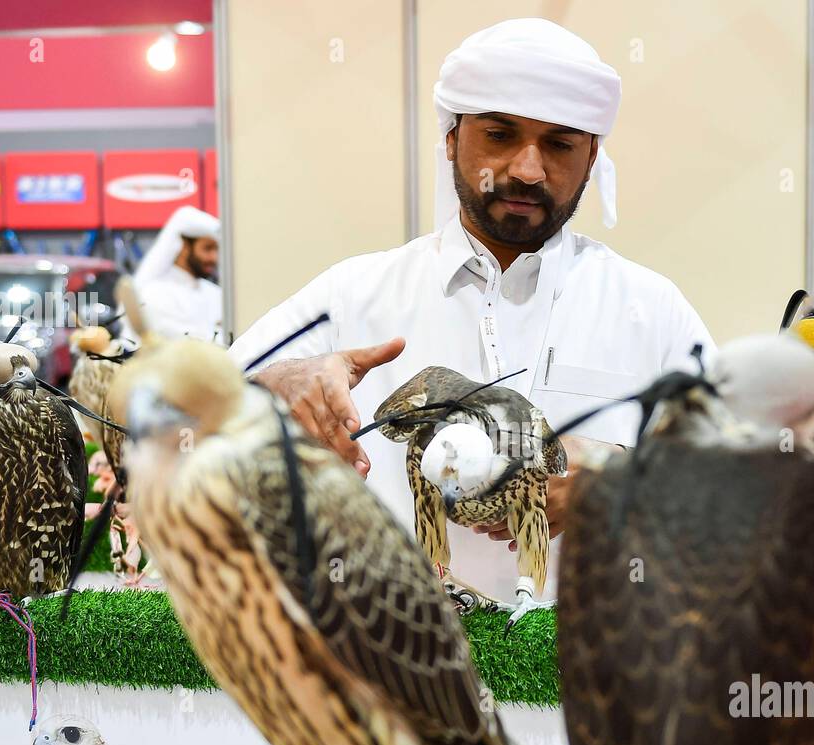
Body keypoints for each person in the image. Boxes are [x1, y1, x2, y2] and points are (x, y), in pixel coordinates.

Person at [228, 18, 714, 603]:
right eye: (501, 135)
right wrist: (276, 383)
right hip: (395, 670)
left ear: (591, 159)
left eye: (559, 144)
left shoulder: (650, 310)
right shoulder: (354, 294)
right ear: (453, 138)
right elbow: (170, 421)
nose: (528, 169)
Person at [127, 205, 223, 345]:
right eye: (207, 248)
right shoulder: (154, 293)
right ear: (183, 246)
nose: (214, 258)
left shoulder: (214, 292)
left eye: (216, 249)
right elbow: (187, 345)